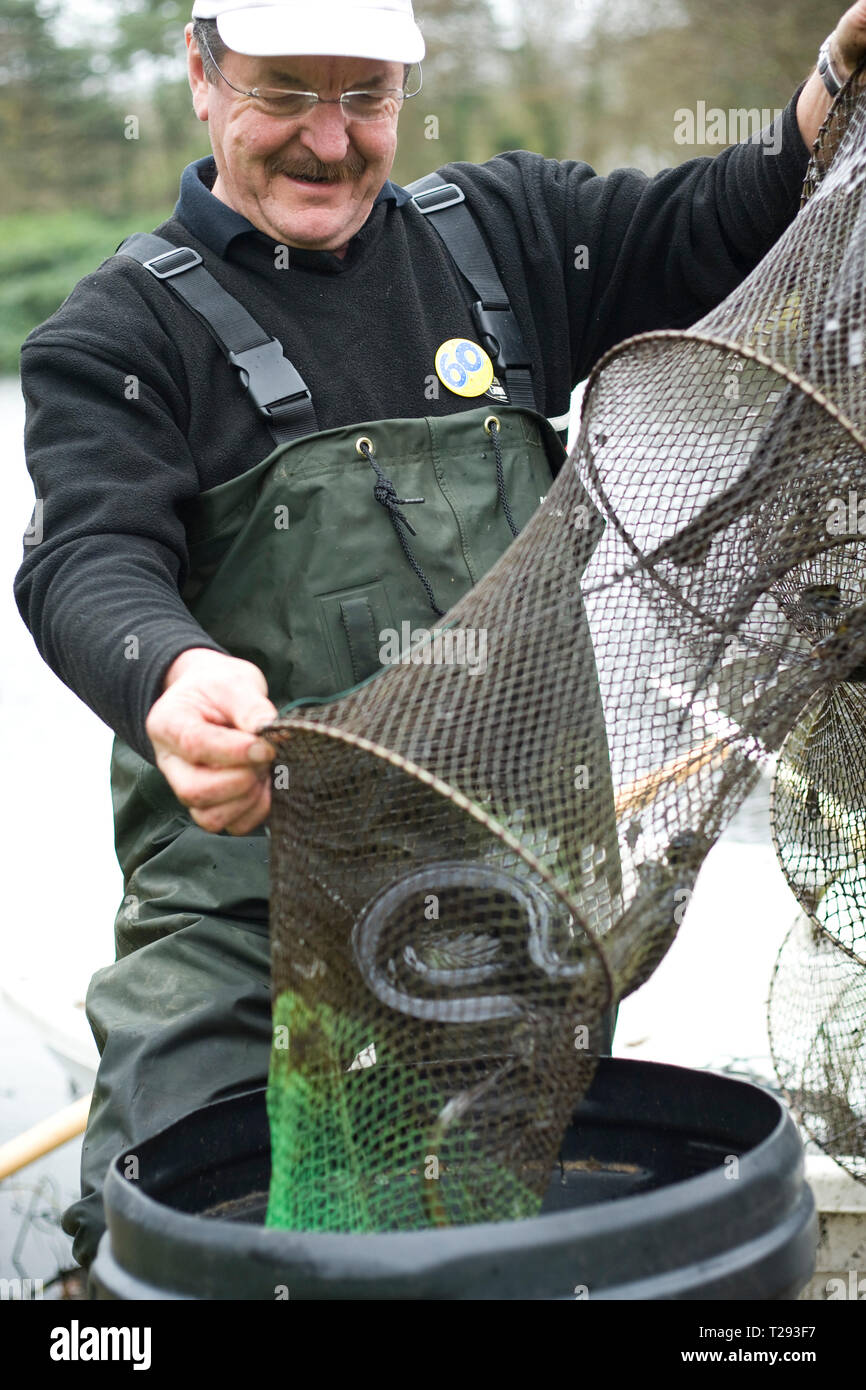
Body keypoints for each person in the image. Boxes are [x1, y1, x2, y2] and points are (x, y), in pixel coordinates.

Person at [14, 0, 866, 1274]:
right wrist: (168, 670)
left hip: (502, 934)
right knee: (162, 1245)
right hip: (241, 935)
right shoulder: (117, 338)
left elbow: (717, 219)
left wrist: (829, 90)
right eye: (284, 91)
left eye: (363, 95)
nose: (327, 138)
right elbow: (85, 555)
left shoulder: (506, 239)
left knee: (514, 1253)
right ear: (199, 76)